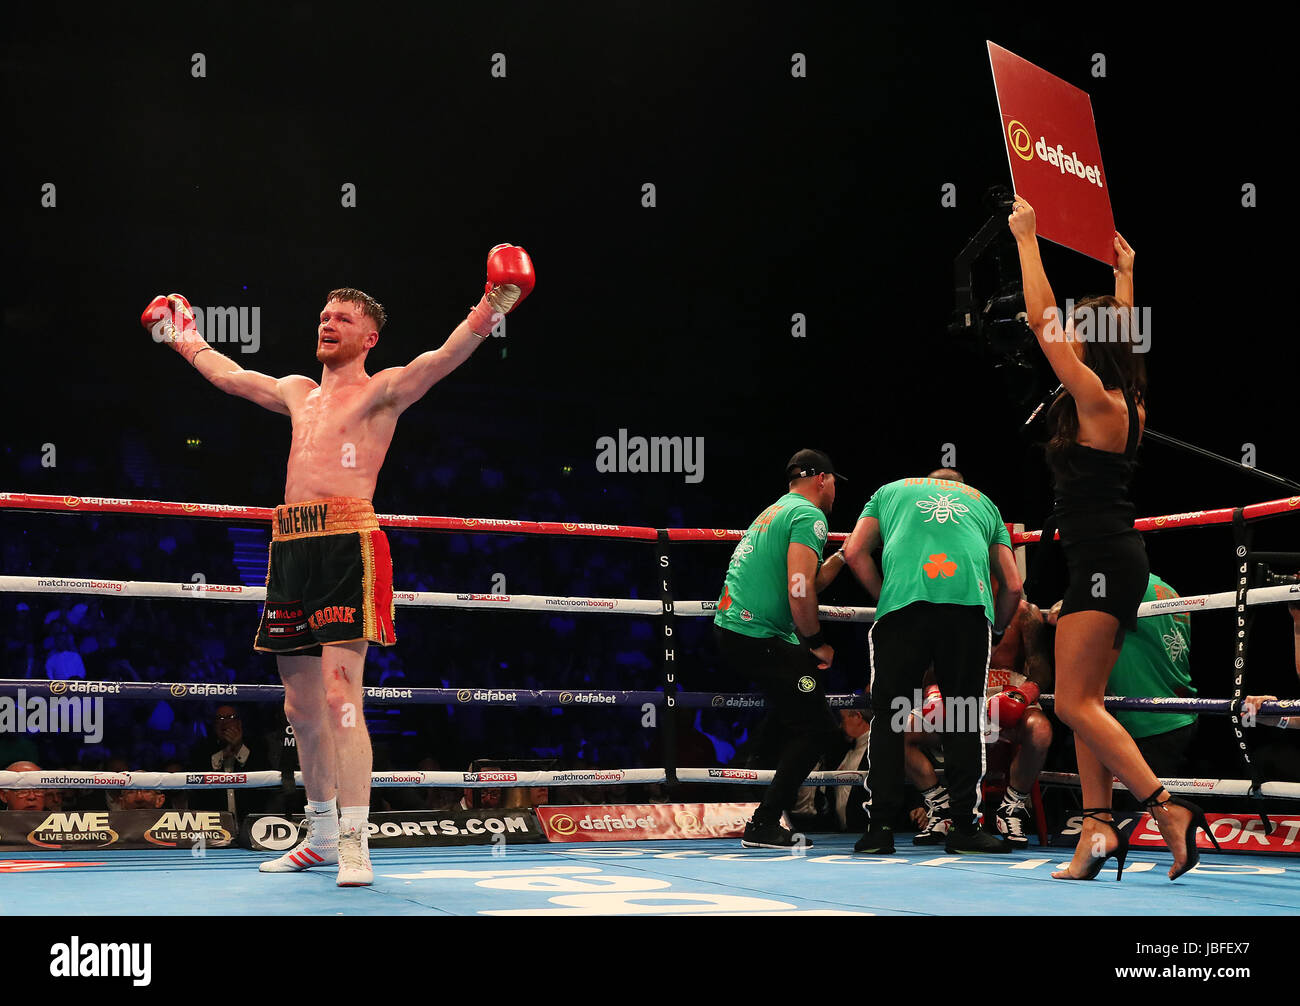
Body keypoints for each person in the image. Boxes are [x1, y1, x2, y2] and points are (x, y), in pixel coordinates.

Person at [141, 245, 534, 885]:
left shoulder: (385, 389)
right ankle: (320, 832)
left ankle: (355, 839)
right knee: (298, 706)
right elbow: (230, 376)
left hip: (348, 540)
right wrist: (181, 336)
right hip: (290, 544)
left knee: (338, 692)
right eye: (323, 317)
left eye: (342, 319)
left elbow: (447, 356)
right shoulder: (299, 393)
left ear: (369, 336)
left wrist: (498, 301)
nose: (327, 324)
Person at [1010, 196, 1216, 880]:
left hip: (1101, 561)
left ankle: (1166, 808)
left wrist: (1028, 238)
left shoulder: (1098, 398)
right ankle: (1094, 838)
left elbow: (1041, 323)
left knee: (1072, 703)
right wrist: (1124, 274)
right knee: (1086, 700)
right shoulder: (1124, 396)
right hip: (1105, 560)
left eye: (1078, 324)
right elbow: (1107, 332)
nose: (1066, 328)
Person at [844, 467, 1021, 855]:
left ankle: (880, 829)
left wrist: (887, 596)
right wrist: (999, 629)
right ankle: (964, 827)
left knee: (889, 717)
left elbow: (854, 552)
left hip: (902, 610)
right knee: (962, 718)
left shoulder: (889, 490)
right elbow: (1013, 585)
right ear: (959, 488)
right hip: (967, 614)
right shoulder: (983, 502)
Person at [713, 449, 848, 849]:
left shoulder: (775, 511)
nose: (836, 489)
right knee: (819, 727)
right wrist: (818, 643)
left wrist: (843, 556)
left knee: (793, 712)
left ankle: (756, 796)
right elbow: (799, 589)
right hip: (757, 635)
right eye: (835, 481)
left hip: (742, 630)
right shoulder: (810, 516)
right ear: (822, 479)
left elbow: (804, 578)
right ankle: (764, 822)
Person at [907, 598, 1054, 847]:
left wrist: (1023, 695)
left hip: (1010, 690)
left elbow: (1041, 667)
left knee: (1040, 730)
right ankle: (940, 807)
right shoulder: (951, 606)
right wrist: (933, 692)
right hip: (961, 694)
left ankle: (1012, 807)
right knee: (900, 729)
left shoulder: (1024, 613)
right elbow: (932, 667)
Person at [1051, 572, 1197, 777]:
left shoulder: (1115, 581)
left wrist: (1068, 608)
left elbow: (1061, 616)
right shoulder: (1168, 590)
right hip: (1176, 713)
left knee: (1143, 802)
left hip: (1144, 719)